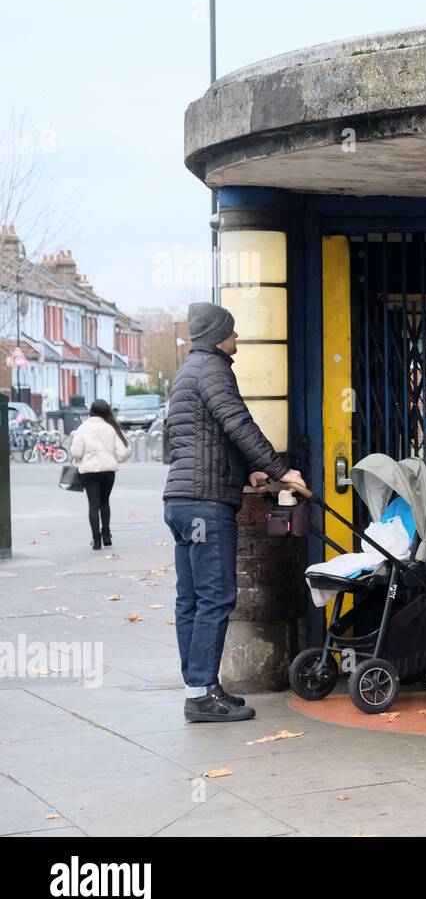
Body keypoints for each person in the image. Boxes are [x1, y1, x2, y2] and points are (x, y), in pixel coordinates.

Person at [163, 302, 307, 724]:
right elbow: (238, 424)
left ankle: (199, 687)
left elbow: (207, 437)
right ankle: (202, 694)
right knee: (216, 598)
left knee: (190, 600)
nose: (237, 337)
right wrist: (283, 469)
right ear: (219, 336)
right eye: (233, 331)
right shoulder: (213, 369)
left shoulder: (188, 371)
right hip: (206, 506)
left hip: (181, 502)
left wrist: (251, 470)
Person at [70, 399, 130, 550]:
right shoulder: (112, 428)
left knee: (93, 506)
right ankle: (107, 535)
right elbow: (123, 453)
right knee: (105, 502)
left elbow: (76, 452)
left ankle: (96, 540)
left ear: (91, 411)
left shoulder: (82, 428)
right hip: (108, 472)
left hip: (89, 472)